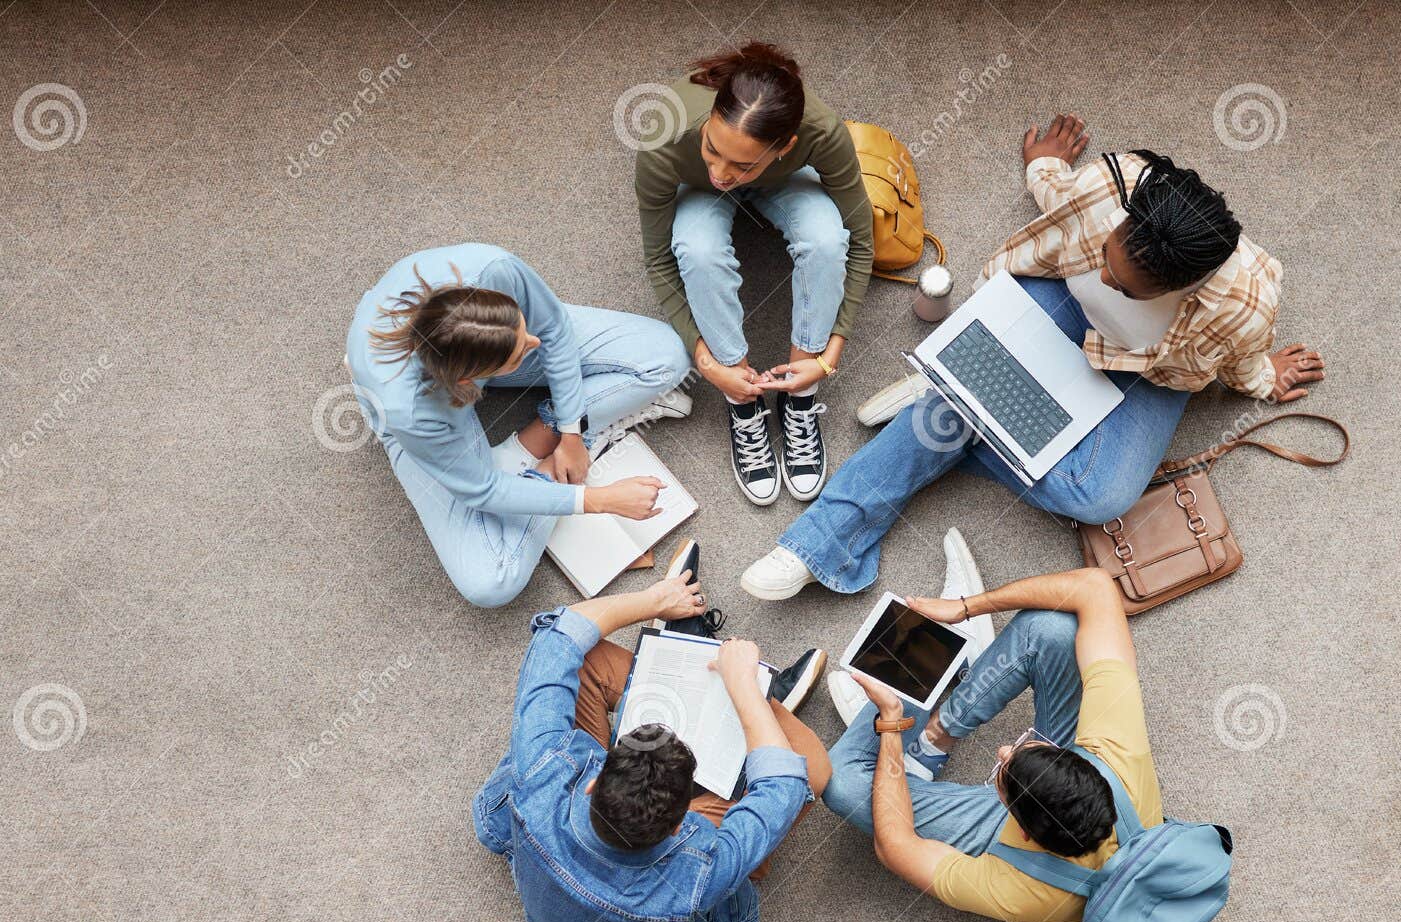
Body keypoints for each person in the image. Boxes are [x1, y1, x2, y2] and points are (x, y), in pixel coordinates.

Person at [739, 115, 1325, 601]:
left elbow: (1240, 360)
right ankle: (819, 542)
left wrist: (1263, 378)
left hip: (1153, 371)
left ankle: (958, 398)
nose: (1103, 274)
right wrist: (1044, 165)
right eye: (1106, 256)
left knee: (1099, 497)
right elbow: (1058, 196)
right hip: (1056, 302)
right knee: (968, 412)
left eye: (1122, 284)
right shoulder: (1108, 188)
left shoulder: (1245, 305)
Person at [471, 539, 831, 922]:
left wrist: (655, 598)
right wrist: (743, 689)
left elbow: (559, 637)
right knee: (812, 763)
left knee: (588, 656)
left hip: (539, 856)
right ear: (684, 823)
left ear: (593, 779)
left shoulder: (544, 771)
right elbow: (787, 786)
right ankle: (750, 697)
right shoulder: (696, 874)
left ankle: (694, 661)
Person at [347, 243, 691, 608]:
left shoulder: (492, 270)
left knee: (668, 358)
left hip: (477, 356)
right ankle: (544, 464)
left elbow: (553, 330)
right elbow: (482, 490)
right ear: (471, 381)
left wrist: (572, 432)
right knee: (491, 583)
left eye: (521, 328)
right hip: (424, 411)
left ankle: (545, 436)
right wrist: (596, 499)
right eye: (520, 352)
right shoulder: (411, 413)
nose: (535, 343)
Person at [819, 564, 1161, 922]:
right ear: (1083, 759)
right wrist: (966, 607)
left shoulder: (1022, 890)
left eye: (1003, 771)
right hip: (1081, 808)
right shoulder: (1117, 746)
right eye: (1024, 746)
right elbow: (1095, 585)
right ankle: (933, 739)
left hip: (1044, 858)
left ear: (1021, 832)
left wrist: (890, 720)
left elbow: (895, 848)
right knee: (1052, 629)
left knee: (841, 782)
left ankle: (913, 701)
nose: (1001, 750)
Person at [634, 42, 875, 505]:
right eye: (713, 149)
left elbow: (861, 241)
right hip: (694, 192)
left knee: (828, 240)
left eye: (740, 163)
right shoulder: (666, 139)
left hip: (782, 182)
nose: (723, 172)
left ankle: (799, 386)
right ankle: (741, 395)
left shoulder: (820, 132)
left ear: (784, 146)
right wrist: (709, 364)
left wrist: (827, 358)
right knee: (696, 251)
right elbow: (658, 259)